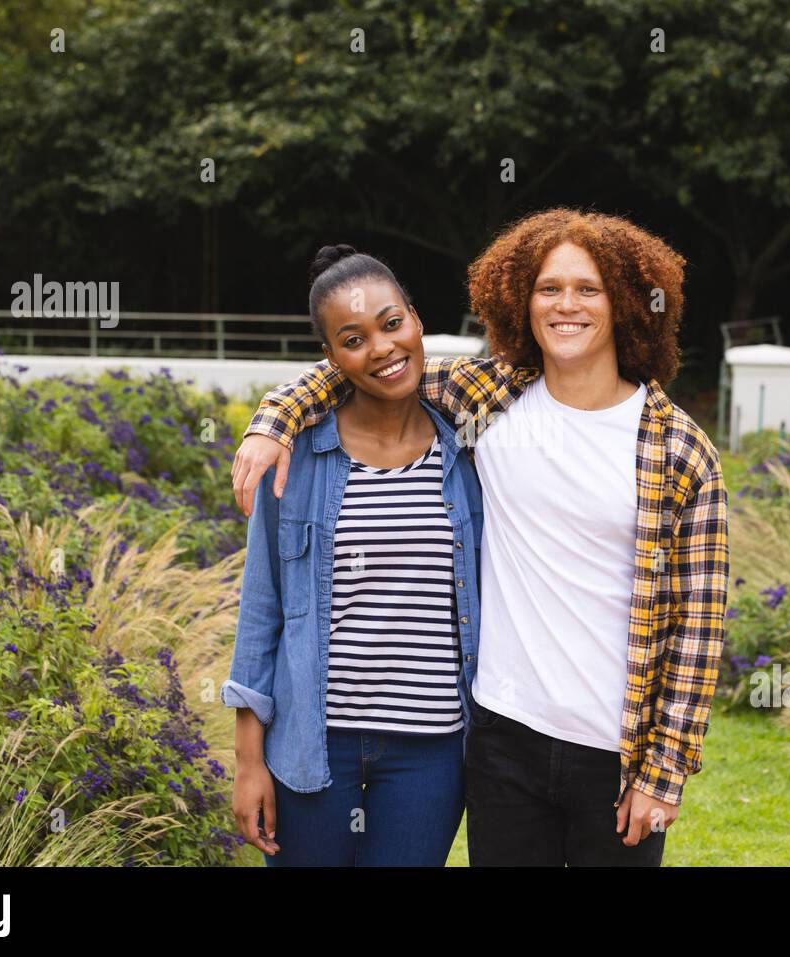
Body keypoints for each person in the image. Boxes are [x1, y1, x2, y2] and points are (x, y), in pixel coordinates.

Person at [231, 209, 729, 866]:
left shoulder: (682, 451)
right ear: (521, 299)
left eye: (588, 288)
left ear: (627, 302)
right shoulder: (488, 397)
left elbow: (698, 629)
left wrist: (663, 774)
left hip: (615, 752)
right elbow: (364, 363)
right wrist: (272, 422)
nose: (566, 305)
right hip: (501, 742)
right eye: (548, 288)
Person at [222, 244, 483, 866]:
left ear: (416, 320)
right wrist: (248, 762)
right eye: (353, 338)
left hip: (432, 751)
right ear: (332, 359)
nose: (383, 348)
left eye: (392, 324)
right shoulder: (297, 461)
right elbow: (263, 613)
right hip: (313, 745)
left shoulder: (471, 452)